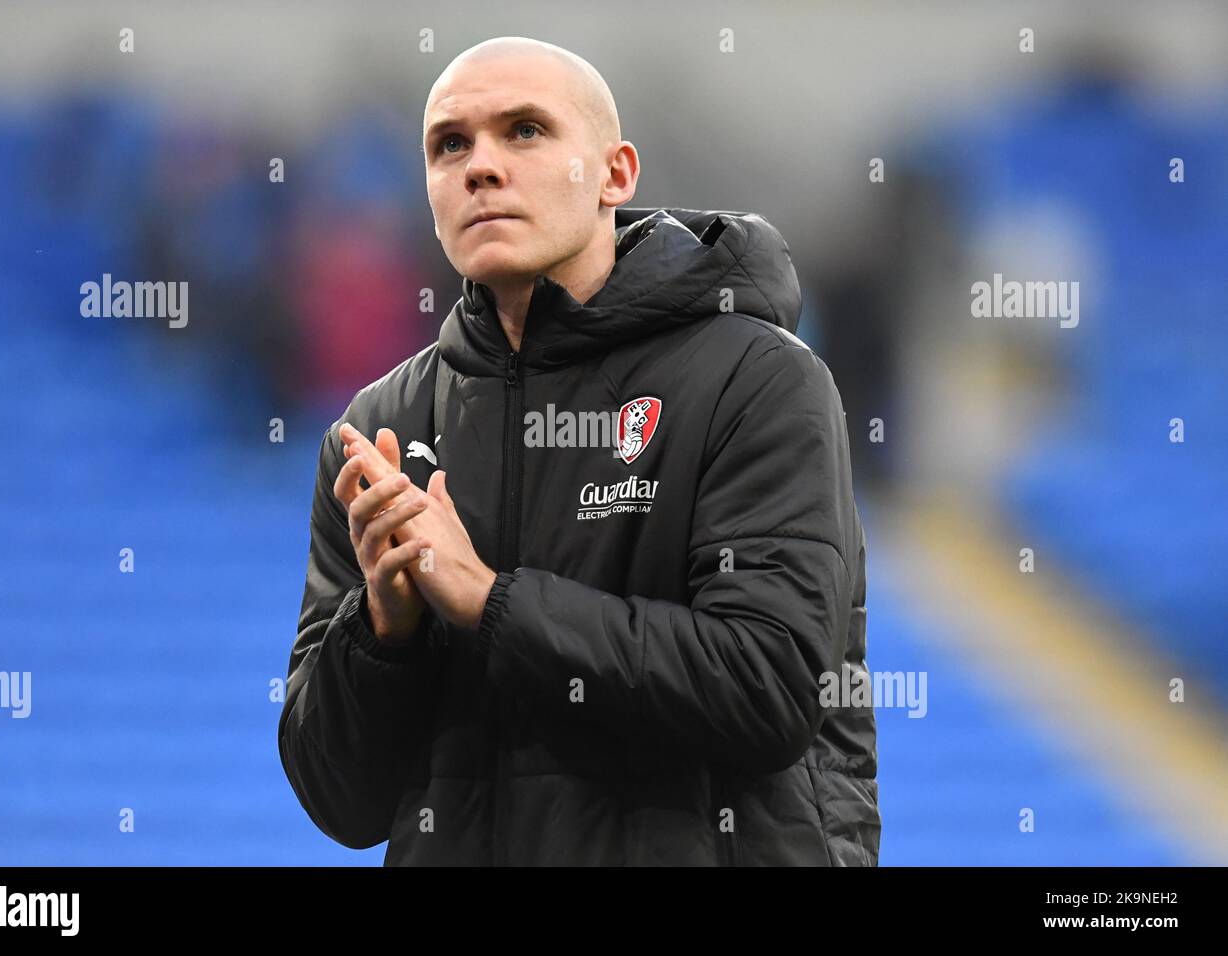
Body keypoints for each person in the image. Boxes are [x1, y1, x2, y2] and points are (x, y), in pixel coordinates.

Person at [277, 35, 880, 865]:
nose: (481, 167)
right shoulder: (384, 424)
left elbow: (769, 688)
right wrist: (383, 631)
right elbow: (342, 803)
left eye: (524, 130)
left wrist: (489, 601)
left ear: (614, 174)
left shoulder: (756, 378)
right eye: (450, 145)